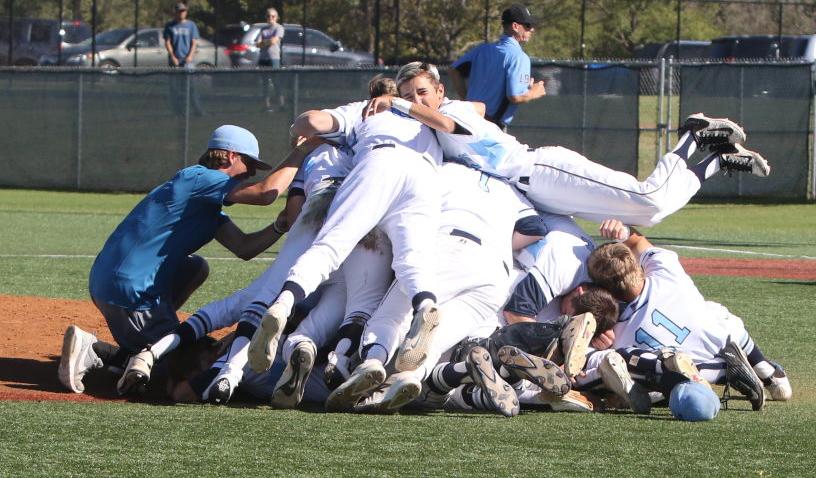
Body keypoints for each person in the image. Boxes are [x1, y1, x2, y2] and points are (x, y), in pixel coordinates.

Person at [57, 125, 312, 395]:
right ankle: (95, 350)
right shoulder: (199, 177)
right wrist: (301, 151)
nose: (251, 173)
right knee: (187, 372)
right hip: (131, 288)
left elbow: (244, 247)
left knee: (196, 268)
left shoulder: (204, 204)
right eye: (248, 163)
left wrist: (278, 227)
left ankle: (147, 337)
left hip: (114, 280)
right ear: (228, 156)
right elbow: (266, 193)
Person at [580, 219, 792, 412]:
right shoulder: (666, 271)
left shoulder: (616, 332)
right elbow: (637, 242)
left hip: (683, 370)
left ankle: (720, 372)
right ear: (635, 265)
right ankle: (766, 370)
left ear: (605, 290)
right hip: (719, 341)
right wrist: (622, 229)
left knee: (631, 364)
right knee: (716, 312)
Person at [449, 4, 545, 130]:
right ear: (515, 26)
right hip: (490, 128)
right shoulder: (519, 57)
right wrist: (534, 92)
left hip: (467, 120)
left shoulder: (482, 50)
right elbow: (515, 96)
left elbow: (454, 70)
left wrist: (467, 100)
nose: (531, 29)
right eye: (527, 26)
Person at [163, 3, 199, 67]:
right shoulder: (169, 25)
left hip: (187, 60)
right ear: (175, 12)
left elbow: (194, 43)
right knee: (174, 77)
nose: (181, 13)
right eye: (179, 11)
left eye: (183, 11)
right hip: (174, 60)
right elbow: (167, 42)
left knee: (188, 77)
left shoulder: (191, 25)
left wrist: (190, 56)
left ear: (186, 12)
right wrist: (172, 57)